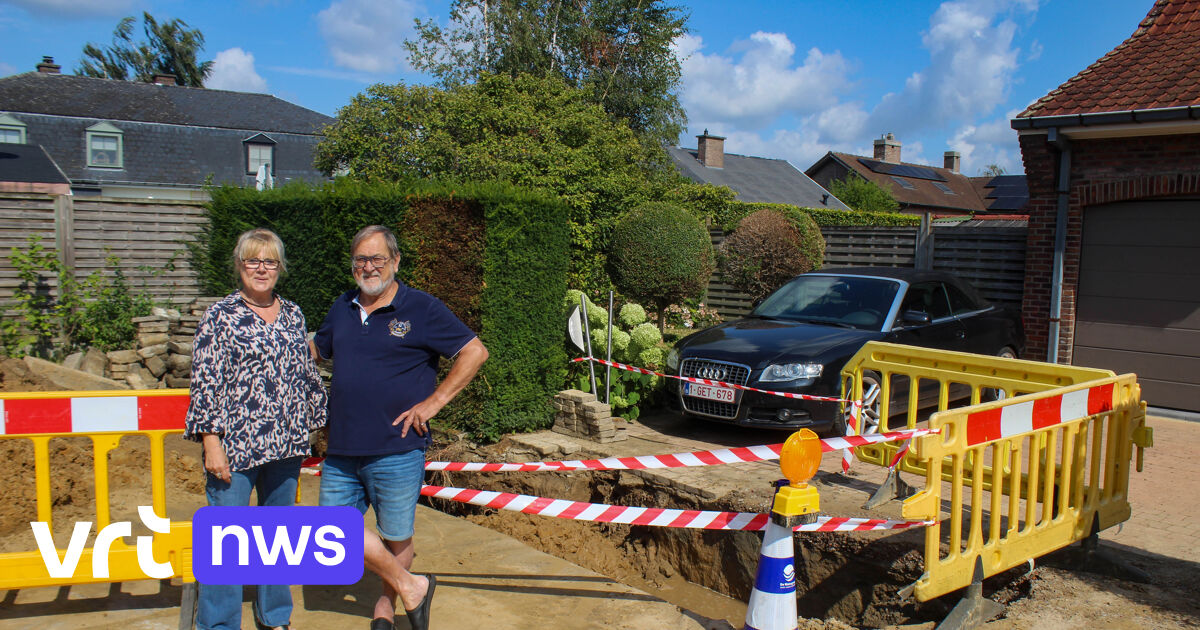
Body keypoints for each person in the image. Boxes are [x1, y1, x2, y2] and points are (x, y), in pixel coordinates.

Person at [311, 225, 488, 630]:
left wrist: (433, 403)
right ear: (352, 264)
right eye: (361, 259)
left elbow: (474, 352)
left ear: (395, 261)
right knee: (331, 532)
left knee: (396, 537)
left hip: (397, 445)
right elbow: (316, 350)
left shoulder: (421, 309)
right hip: (341, 447)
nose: (369, 267)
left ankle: (385, 609)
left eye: (377, 259)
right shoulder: (341, 306)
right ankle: (413, 586)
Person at [184, 228, 328, 630]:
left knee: (276, 537)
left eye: (269, 261)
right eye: (253, 260)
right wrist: (211, 442)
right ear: (239, 265)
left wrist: (317, 424)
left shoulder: (294, 313)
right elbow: (205, 381)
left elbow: (305, 374)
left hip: (285, 444)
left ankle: (274, 617)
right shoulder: (220, 315)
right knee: (227, 541)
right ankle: (218, 624)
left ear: (280, 268)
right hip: (236, 445)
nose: (261, 269)